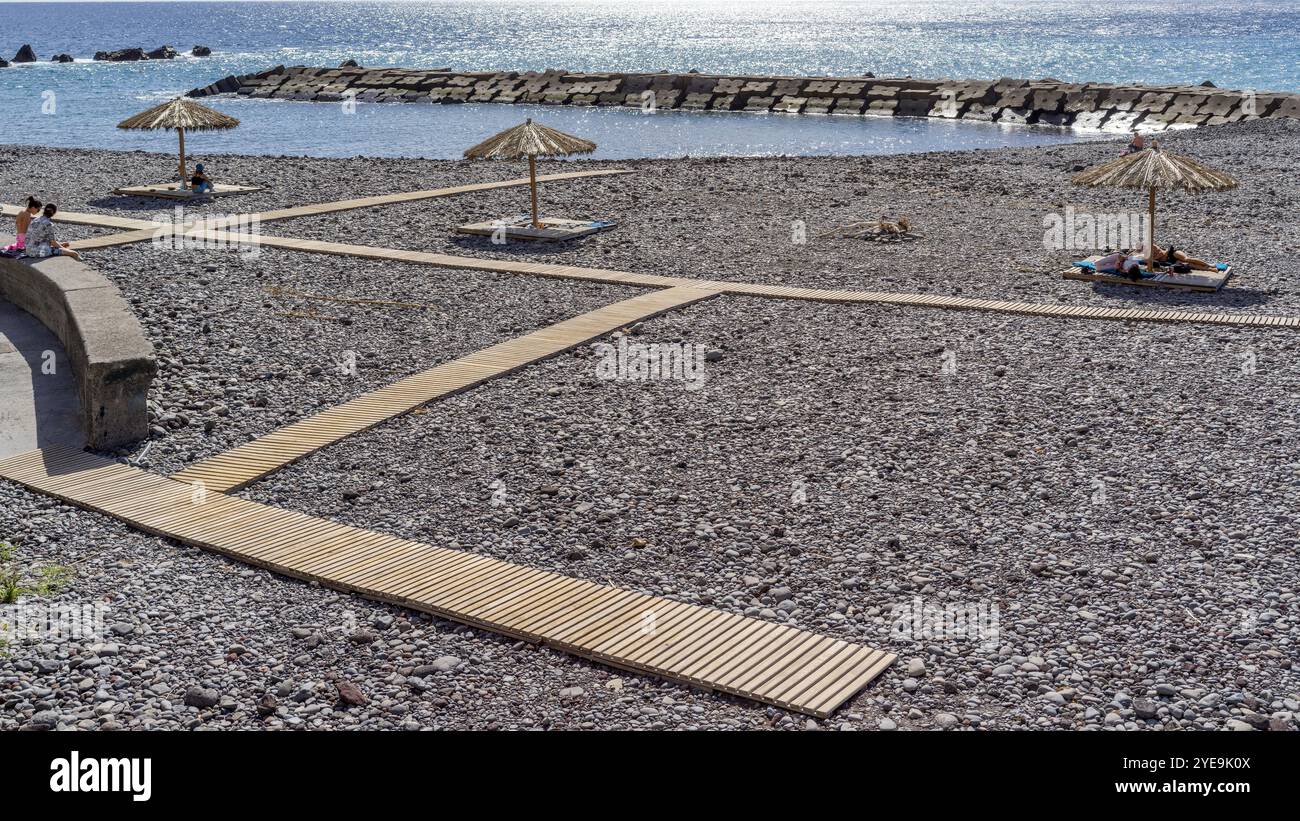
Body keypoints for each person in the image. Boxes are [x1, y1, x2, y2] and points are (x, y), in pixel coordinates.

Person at [1150, 242, 1217, 272]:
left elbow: (1161, 253)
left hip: (1171, 253)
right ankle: (1210, 269)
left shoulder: (1152, 245)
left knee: (1187, 259)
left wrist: (1154, 258)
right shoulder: (1144, 253)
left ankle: (1209, 265)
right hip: (1169, 260)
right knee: (1189, 264)